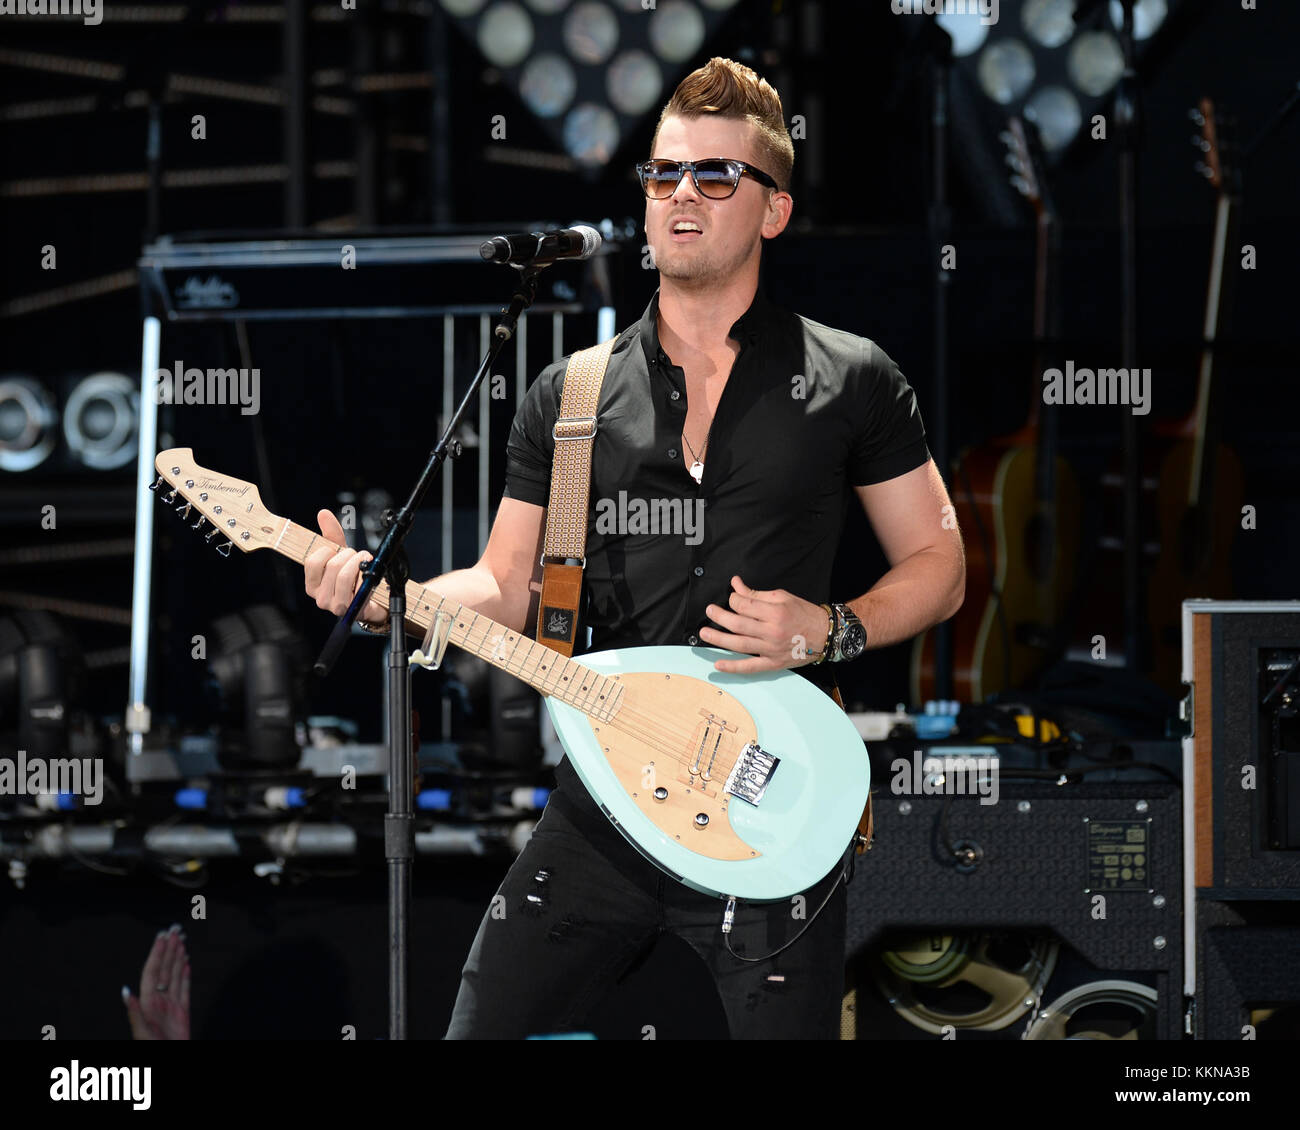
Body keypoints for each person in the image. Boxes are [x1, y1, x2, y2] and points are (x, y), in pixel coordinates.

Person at [304, 57, 965, 1039]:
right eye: (662, 175)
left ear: (772, 212)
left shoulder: (849, 376)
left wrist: (831, 626)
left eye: (713, 176)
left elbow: (940, 565)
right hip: (602, 804)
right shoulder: (569, 396)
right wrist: (389, 596)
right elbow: (504, 582)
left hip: (766, 795)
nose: (680, 195)